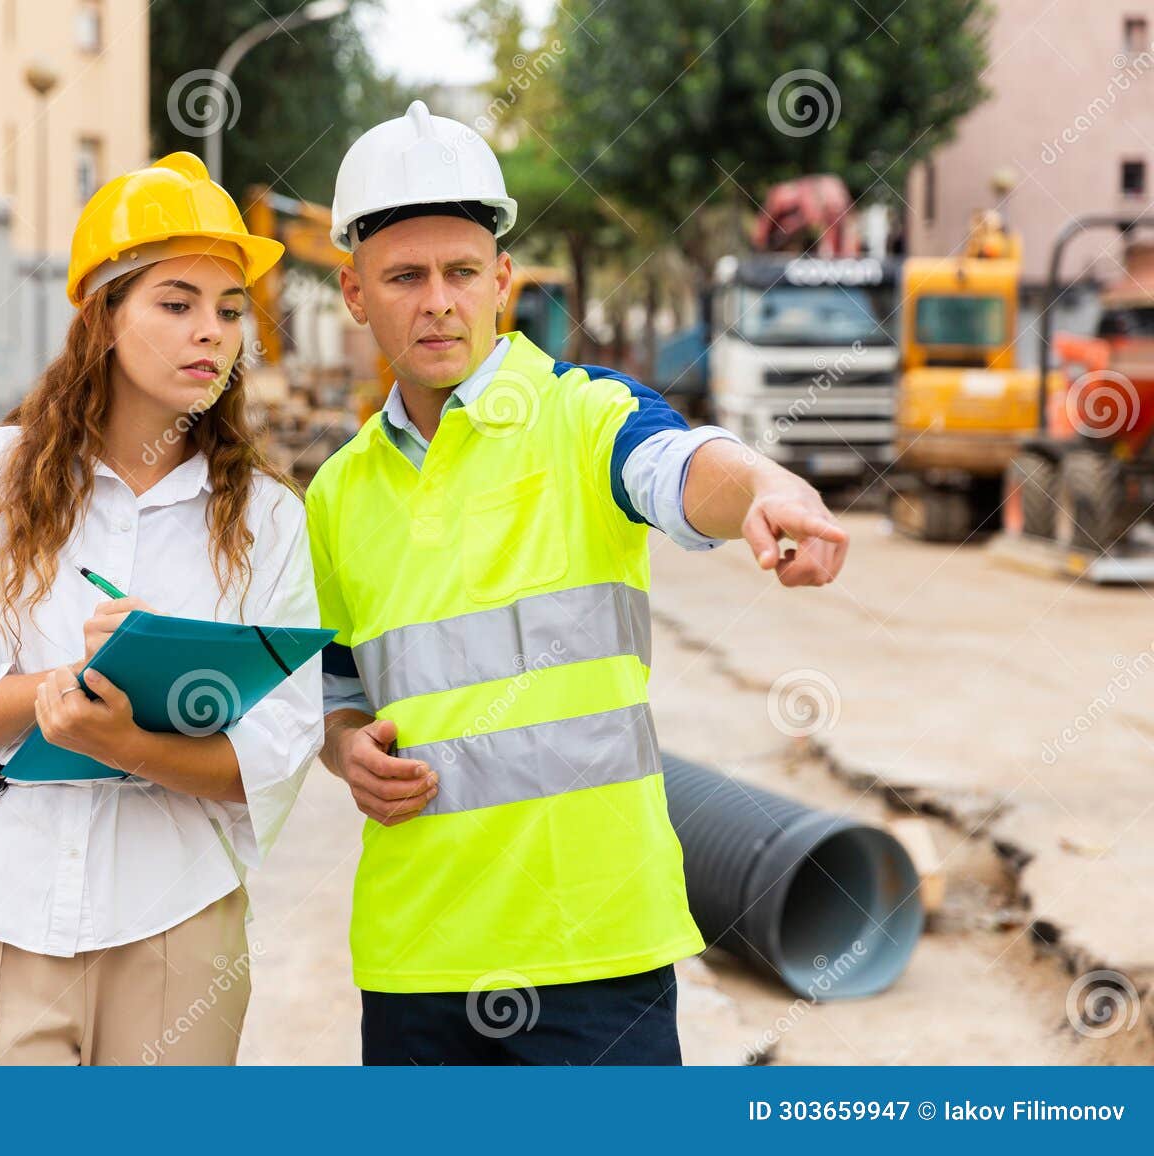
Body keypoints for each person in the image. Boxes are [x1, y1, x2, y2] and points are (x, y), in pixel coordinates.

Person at [306, 102, 850, 1066]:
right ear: (354, 291)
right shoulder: (338, 494)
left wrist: (764, 485)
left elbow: (678, 466)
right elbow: (339, 692)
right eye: (405, 277)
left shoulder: (578, 415)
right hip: (415, 964)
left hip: (594, 955)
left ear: (502, 280)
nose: (438, 301)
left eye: (463, 272)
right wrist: (348, 752)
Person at [0, 152, 322, 1066]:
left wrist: (127, 741)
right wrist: (68, 691)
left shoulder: (270, 519)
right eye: (177, 302)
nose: (212, 331)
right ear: (102, 317)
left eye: (230, 309)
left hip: (177, 917)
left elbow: (275, 753)